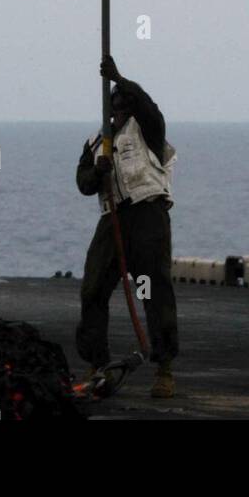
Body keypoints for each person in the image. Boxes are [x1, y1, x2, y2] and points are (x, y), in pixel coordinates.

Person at [75, 55, 178, 398]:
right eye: (116, 106)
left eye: (126, 105)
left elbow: (150, 109)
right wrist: (98, 171)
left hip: (147, 215)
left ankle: (164, 369)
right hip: (112, 221)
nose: (121, 112)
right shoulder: (95, 143)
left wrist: (120, 77)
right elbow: (83, 183)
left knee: (154, 291)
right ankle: (95, 362)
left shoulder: (148, 130)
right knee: (92, 289)